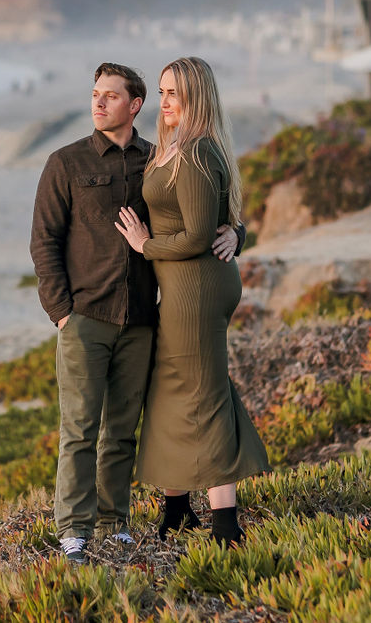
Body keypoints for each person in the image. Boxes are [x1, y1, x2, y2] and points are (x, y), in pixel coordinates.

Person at [30, 62, 243, 566]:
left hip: (143, 320)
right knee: (80, 430)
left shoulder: (157, 159)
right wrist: (61, 312)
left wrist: (238, 232)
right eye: (95, 94)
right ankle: (74, 532)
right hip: (85, 316)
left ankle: (115, 523)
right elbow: (44, 241)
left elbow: (204, 212)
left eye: (111, 95)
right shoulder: (66, 163)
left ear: (136, 105)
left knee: (122, 431)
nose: (99, 103)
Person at [114, 56, 270, 547]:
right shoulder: (175, 146)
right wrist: (238, 231)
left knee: (202, 393)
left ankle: (225, 522)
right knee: (172, 390)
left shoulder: (200, 151)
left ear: (196, 96)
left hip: (197, 287)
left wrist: (145, 246)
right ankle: (178, 509)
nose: (164, 103)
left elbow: (200, 235)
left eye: (174, 94)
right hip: (182, 287)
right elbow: (217, 221)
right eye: (161, 92)